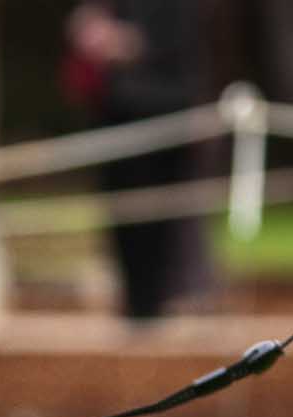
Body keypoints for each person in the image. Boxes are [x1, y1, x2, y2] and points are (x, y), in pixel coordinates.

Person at [63, 1, 200, 320]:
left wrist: (123, 42)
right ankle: (137, 301)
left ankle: (157, 299)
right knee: (122, 213)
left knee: (158, 216)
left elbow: (176, 43)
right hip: (115, 111)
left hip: (161, 111)